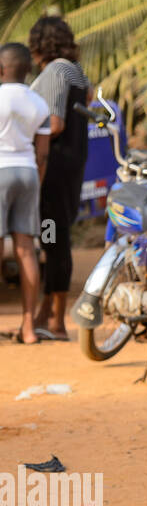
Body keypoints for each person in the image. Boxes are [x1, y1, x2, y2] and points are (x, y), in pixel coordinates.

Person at [29, 16, 92, 341]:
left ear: (40, 43)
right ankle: (47, 311)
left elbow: (54, 123)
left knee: (53, 238)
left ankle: (55, 319)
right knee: (55, 237)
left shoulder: (55, 71)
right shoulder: (77, 71)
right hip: (73, 162)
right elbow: (88, 102)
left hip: (53, 165)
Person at [0, 43, 51, 344]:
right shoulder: (39, 102)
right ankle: (29, 327)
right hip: (29, 172)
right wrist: (37, 183)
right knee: (26, 250)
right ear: (27, 70)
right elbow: (42, 154)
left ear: (2, 69)